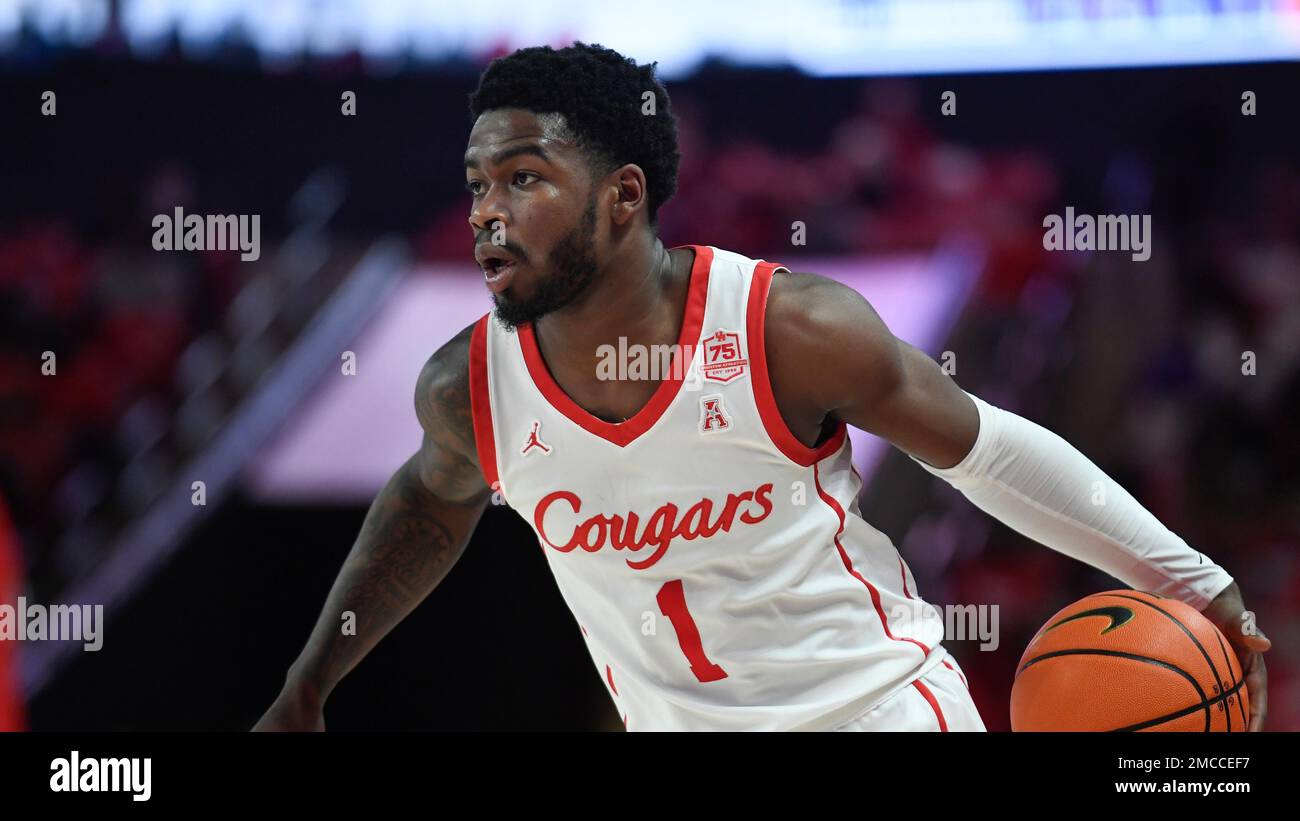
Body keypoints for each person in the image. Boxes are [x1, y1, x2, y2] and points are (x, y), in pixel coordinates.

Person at [254, 42, 1268, 732]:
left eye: (523, 179)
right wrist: (309, 682)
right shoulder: (466, 387)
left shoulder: (787, 328)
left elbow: (986, 449)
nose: (486, 212)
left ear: (621, 197)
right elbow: (428, 501)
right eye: (477, 183)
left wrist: (1194, 578)